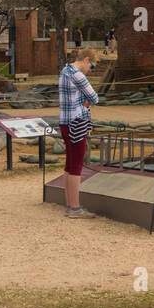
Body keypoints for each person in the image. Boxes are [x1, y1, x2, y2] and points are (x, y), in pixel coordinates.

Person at [58, 47, 100, 218]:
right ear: (86, 60)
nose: (91, 70)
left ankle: (70, 204)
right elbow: (94, 97)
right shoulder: (78, 75)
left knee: (69, 164)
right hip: (77, 123)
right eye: (92, 66)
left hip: (65, 122)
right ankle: (75, 208)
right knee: (76, 165)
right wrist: (84, 107)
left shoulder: (64, 71)